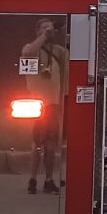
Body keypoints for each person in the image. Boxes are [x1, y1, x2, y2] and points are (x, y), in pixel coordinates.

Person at [23, 17, 69, 194]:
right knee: (37, 142)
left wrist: (64, 33)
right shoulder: (31, 48)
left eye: (50, 28)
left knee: (51, 143)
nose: (48, 30)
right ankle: (33, 179)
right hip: (35, 104)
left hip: (53, 104)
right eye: (43, 28)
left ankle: (49, 179)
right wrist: (44, 36)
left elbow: (70, 66)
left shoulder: (59, 51)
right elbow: (28, 53)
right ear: (37, 31)